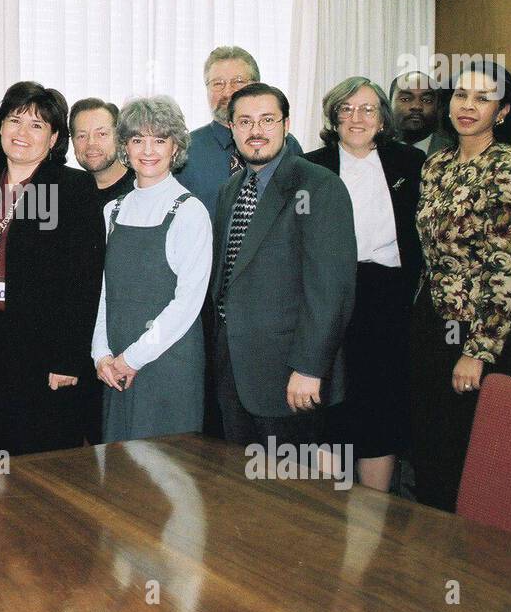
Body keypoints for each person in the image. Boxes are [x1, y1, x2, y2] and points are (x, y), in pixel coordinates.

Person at [412, 61, 511, 512]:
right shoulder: (438, 165)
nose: (468, 106)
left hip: (485, 331)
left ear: (502, 112)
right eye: (462, 95)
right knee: (430, 447)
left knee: (470, 456)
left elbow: (505, 267)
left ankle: (471, 565)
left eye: (483, 99)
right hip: (433, 321)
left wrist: (477, 351)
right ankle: (430, 553)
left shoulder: (507, 169)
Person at [209, 83, 355, 447]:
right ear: (232, 129)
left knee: (288, 493)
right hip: (233, 371)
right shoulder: (230, 190)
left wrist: (309, 367)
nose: (255, 131)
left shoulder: (319, 186)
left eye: (267, 120)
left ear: (286, 125)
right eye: (244, 121)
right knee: (240, 486)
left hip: (290, 376)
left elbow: (331, 291)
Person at [0, 82, 105, 458]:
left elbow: (86, 281)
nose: (22, 132)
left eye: (36, 125)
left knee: (46, 468)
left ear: (54, 138)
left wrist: (68, 358)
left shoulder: (73, 187)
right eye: (15, 120)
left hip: (46, 353)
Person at [305, 77, 424, 492]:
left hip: (388, 298)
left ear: (383, 118)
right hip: (329, 295)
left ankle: (377, 507)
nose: (357, 118)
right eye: (346, 109)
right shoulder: (311, 166)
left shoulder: (411, 164)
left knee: (380, 401)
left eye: (368, 109)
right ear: (333, 117)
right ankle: (329, 512)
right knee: (331, 399)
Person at [92, 96, 211, 441]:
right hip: (115, 366)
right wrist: (101, 353)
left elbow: (187, 303)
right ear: (125, 147)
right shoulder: (111, 211)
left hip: (168, 363)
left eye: (159, 139)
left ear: (176, 148)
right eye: (137, 139)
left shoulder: (190, 211)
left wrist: (133, 357)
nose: (148, 150)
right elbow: (102, 292)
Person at [178, 45, 302, 219]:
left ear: (257, 86)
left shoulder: (285, 144)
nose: (228, 92)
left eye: (238, 81)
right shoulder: (185, 149)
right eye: (218, 83)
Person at [70, 98, 133, 203]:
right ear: (72, 142)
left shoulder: (142, 188)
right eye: (82, 136)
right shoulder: (67, 195)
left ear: (119, 137)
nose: (91, 143)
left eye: (102, 134)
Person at [389, 70, 453, 155]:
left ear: (438, 107)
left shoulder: (454, 152)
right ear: (389, 104)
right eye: (405, 99)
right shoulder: (373, 150)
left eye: (426, 100)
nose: (416, 106)